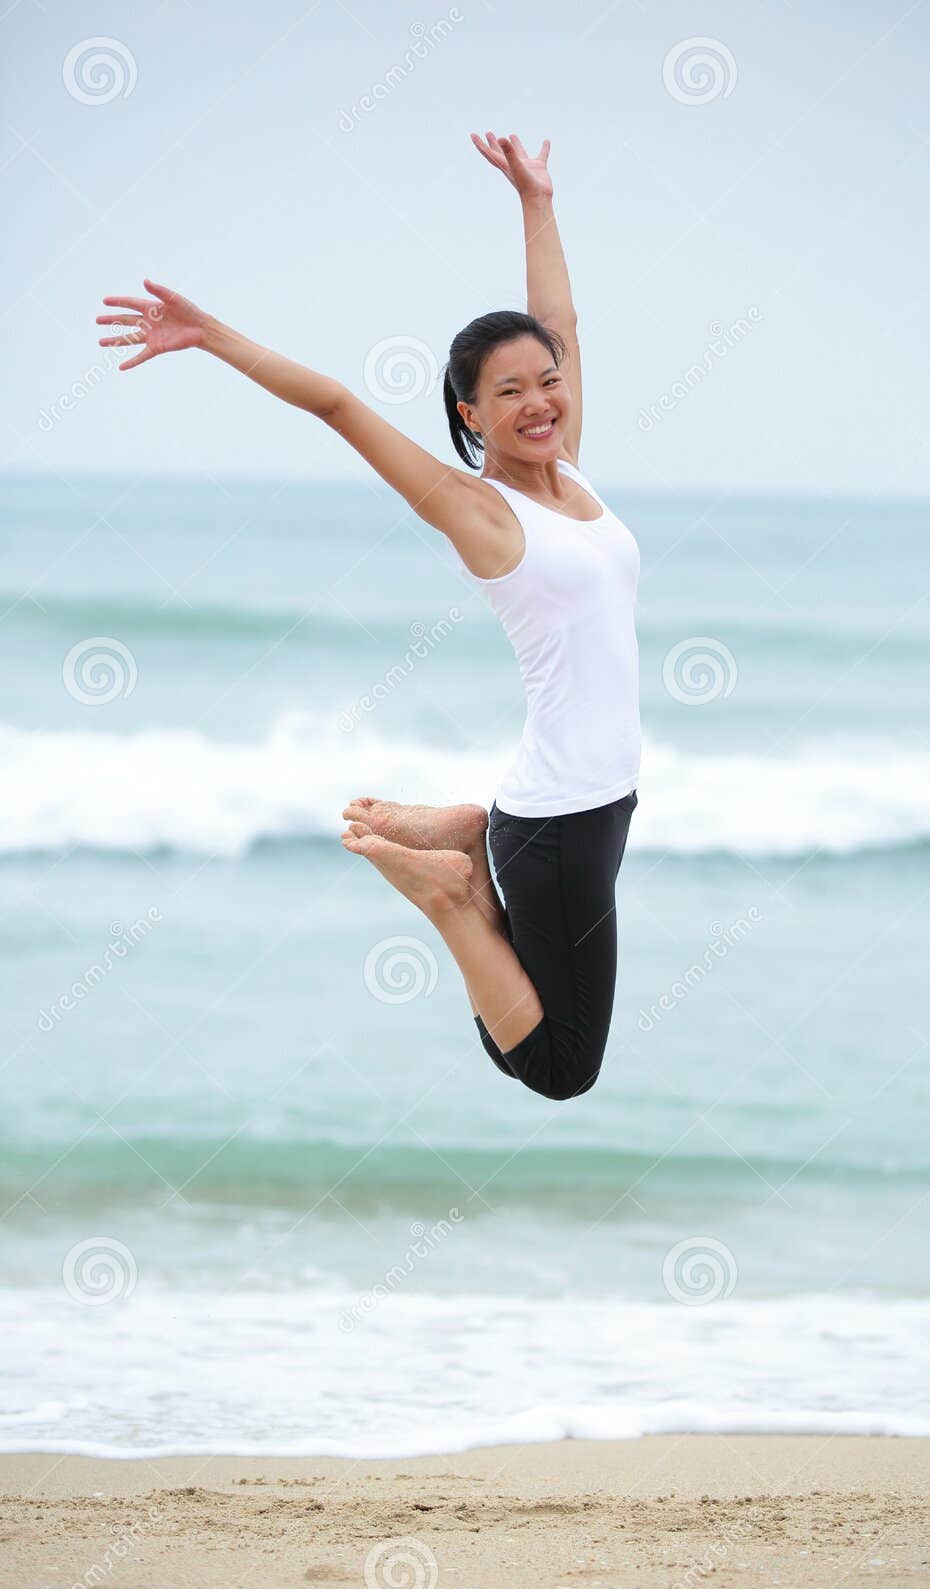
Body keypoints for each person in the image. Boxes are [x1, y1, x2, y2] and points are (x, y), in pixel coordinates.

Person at [97, 132, 641, 1100]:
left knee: (533, 1019)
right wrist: (212, 336)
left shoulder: (570, 473)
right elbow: (340, 406)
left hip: (584, 810)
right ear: (472, 416)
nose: (540, 400)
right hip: (560, 823)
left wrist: (536, 199)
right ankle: (445, 891)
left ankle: (468, 841)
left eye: (547, 380)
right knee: (558, 1068)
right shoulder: (482, 513)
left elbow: (559, 320)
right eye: (508, 392)